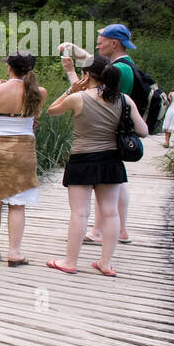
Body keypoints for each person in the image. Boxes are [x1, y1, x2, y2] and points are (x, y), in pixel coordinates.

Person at [45, 54, 149, 277]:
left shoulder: (79, 98)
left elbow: (51, 110)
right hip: (111, 161)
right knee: (111, 213)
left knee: (79, 213)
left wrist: (72, 89)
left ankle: (70, 261)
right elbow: (144, 131)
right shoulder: (124, 99)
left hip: (83, 160)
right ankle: (105, 263)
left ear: (86, 75)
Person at [59, 24, 139, 244]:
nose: (97, 44)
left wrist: (70, 72)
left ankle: (99, 231)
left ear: (114, 43)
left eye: (101, 41)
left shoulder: (119, 70)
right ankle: (119, 230)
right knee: (117, 184)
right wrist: (75, 49)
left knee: (108, 190)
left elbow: (88, 96)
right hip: (113, 137)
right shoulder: (124, 65)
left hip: (101, 141)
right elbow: (96, 65)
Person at [0, 52, 47, 266]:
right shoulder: (39, 92)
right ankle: (14, 253)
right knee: (17, 204)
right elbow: (34, 119)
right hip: (23, 151)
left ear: (9, 68)